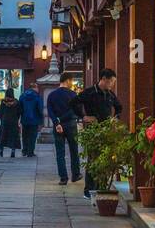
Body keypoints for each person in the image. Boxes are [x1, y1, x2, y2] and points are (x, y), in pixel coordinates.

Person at [77, 68, 123, 198]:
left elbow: (119, 107)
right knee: (92, 159)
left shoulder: (110, 94)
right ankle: (89, 190)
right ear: (104, 79)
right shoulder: (89, 92)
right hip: (92, 131)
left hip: (106, 131)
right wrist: (83, 116)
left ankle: (101, 187)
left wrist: (116, 118)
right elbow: (74, 103)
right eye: (111, 82)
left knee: (104, 159)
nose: (112, 85)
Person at [45, 72, 83, 185]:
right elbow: (75, 110)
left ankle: (63, 177)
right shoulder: (72, 95)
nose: (72, 83)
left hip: (58, 126)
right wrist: (62, 120)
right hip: (70, 124)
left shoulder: (52, 95)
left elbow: (50, 111)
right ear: (67, 81)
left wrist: (57, 122)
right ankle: (75, 174)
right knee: (74, 150)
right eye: (71, 81)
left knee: (60, 152)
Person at [18, 84, 43, 156]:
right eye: (37, 87)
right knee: (32, 136)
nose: (38, 89)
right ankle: (30, 151)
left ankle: (24, 150)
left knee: (25, 136)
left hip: (24, 119)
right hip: (34, 120)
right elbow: (40, 108)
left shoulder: (22, 96)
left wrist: (20, 117)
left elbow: (20, 108)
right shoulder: (37, 96)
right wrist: (41, 117)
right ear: (34, 88)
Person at [0, 88, 21, 157]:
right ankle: (13, 151)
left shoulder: (3, 102)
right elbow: (19, 112)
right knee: (13, 136)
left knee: (3, 136)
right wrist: (17, 119)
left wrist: (2, 119)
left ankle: (1, 150)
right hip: (13, 121)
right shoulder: (16, 102)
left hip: (5, 121)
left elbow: (1, 112)